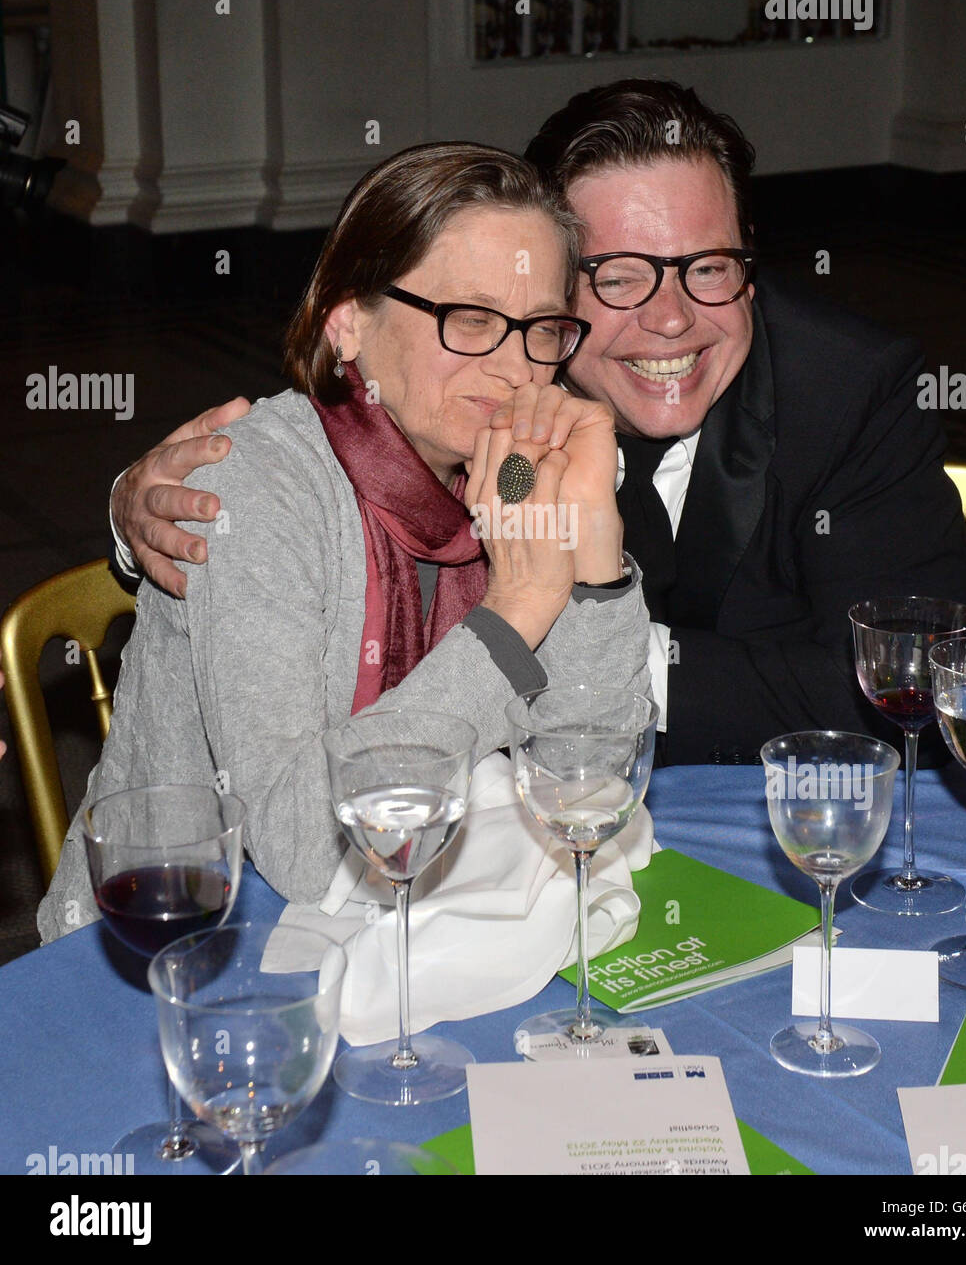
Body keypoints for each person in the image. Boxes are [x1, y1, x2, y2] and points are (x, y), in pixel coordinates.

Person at [108, 80, 966, 764]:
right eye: (619, 276)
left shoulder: (850, 390)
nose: (671, 319)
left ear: (749, 266)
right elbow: (327, 498)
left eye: (707, 266)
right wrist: (134, 511)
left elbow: (904, 689)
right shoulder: (485, 400)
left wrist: (583, 639)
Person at [37, 142, 649, 943]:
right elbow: (303, 846)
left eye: (541, 329)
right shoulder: (260, 488)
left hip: (422, 917)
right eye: (468, 320)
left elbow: (588, 782)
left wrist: (595, 544)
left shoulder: (513, 476)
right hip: (184, 940)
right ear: (347, 322)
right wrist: (511, 617)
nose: (513, 368)